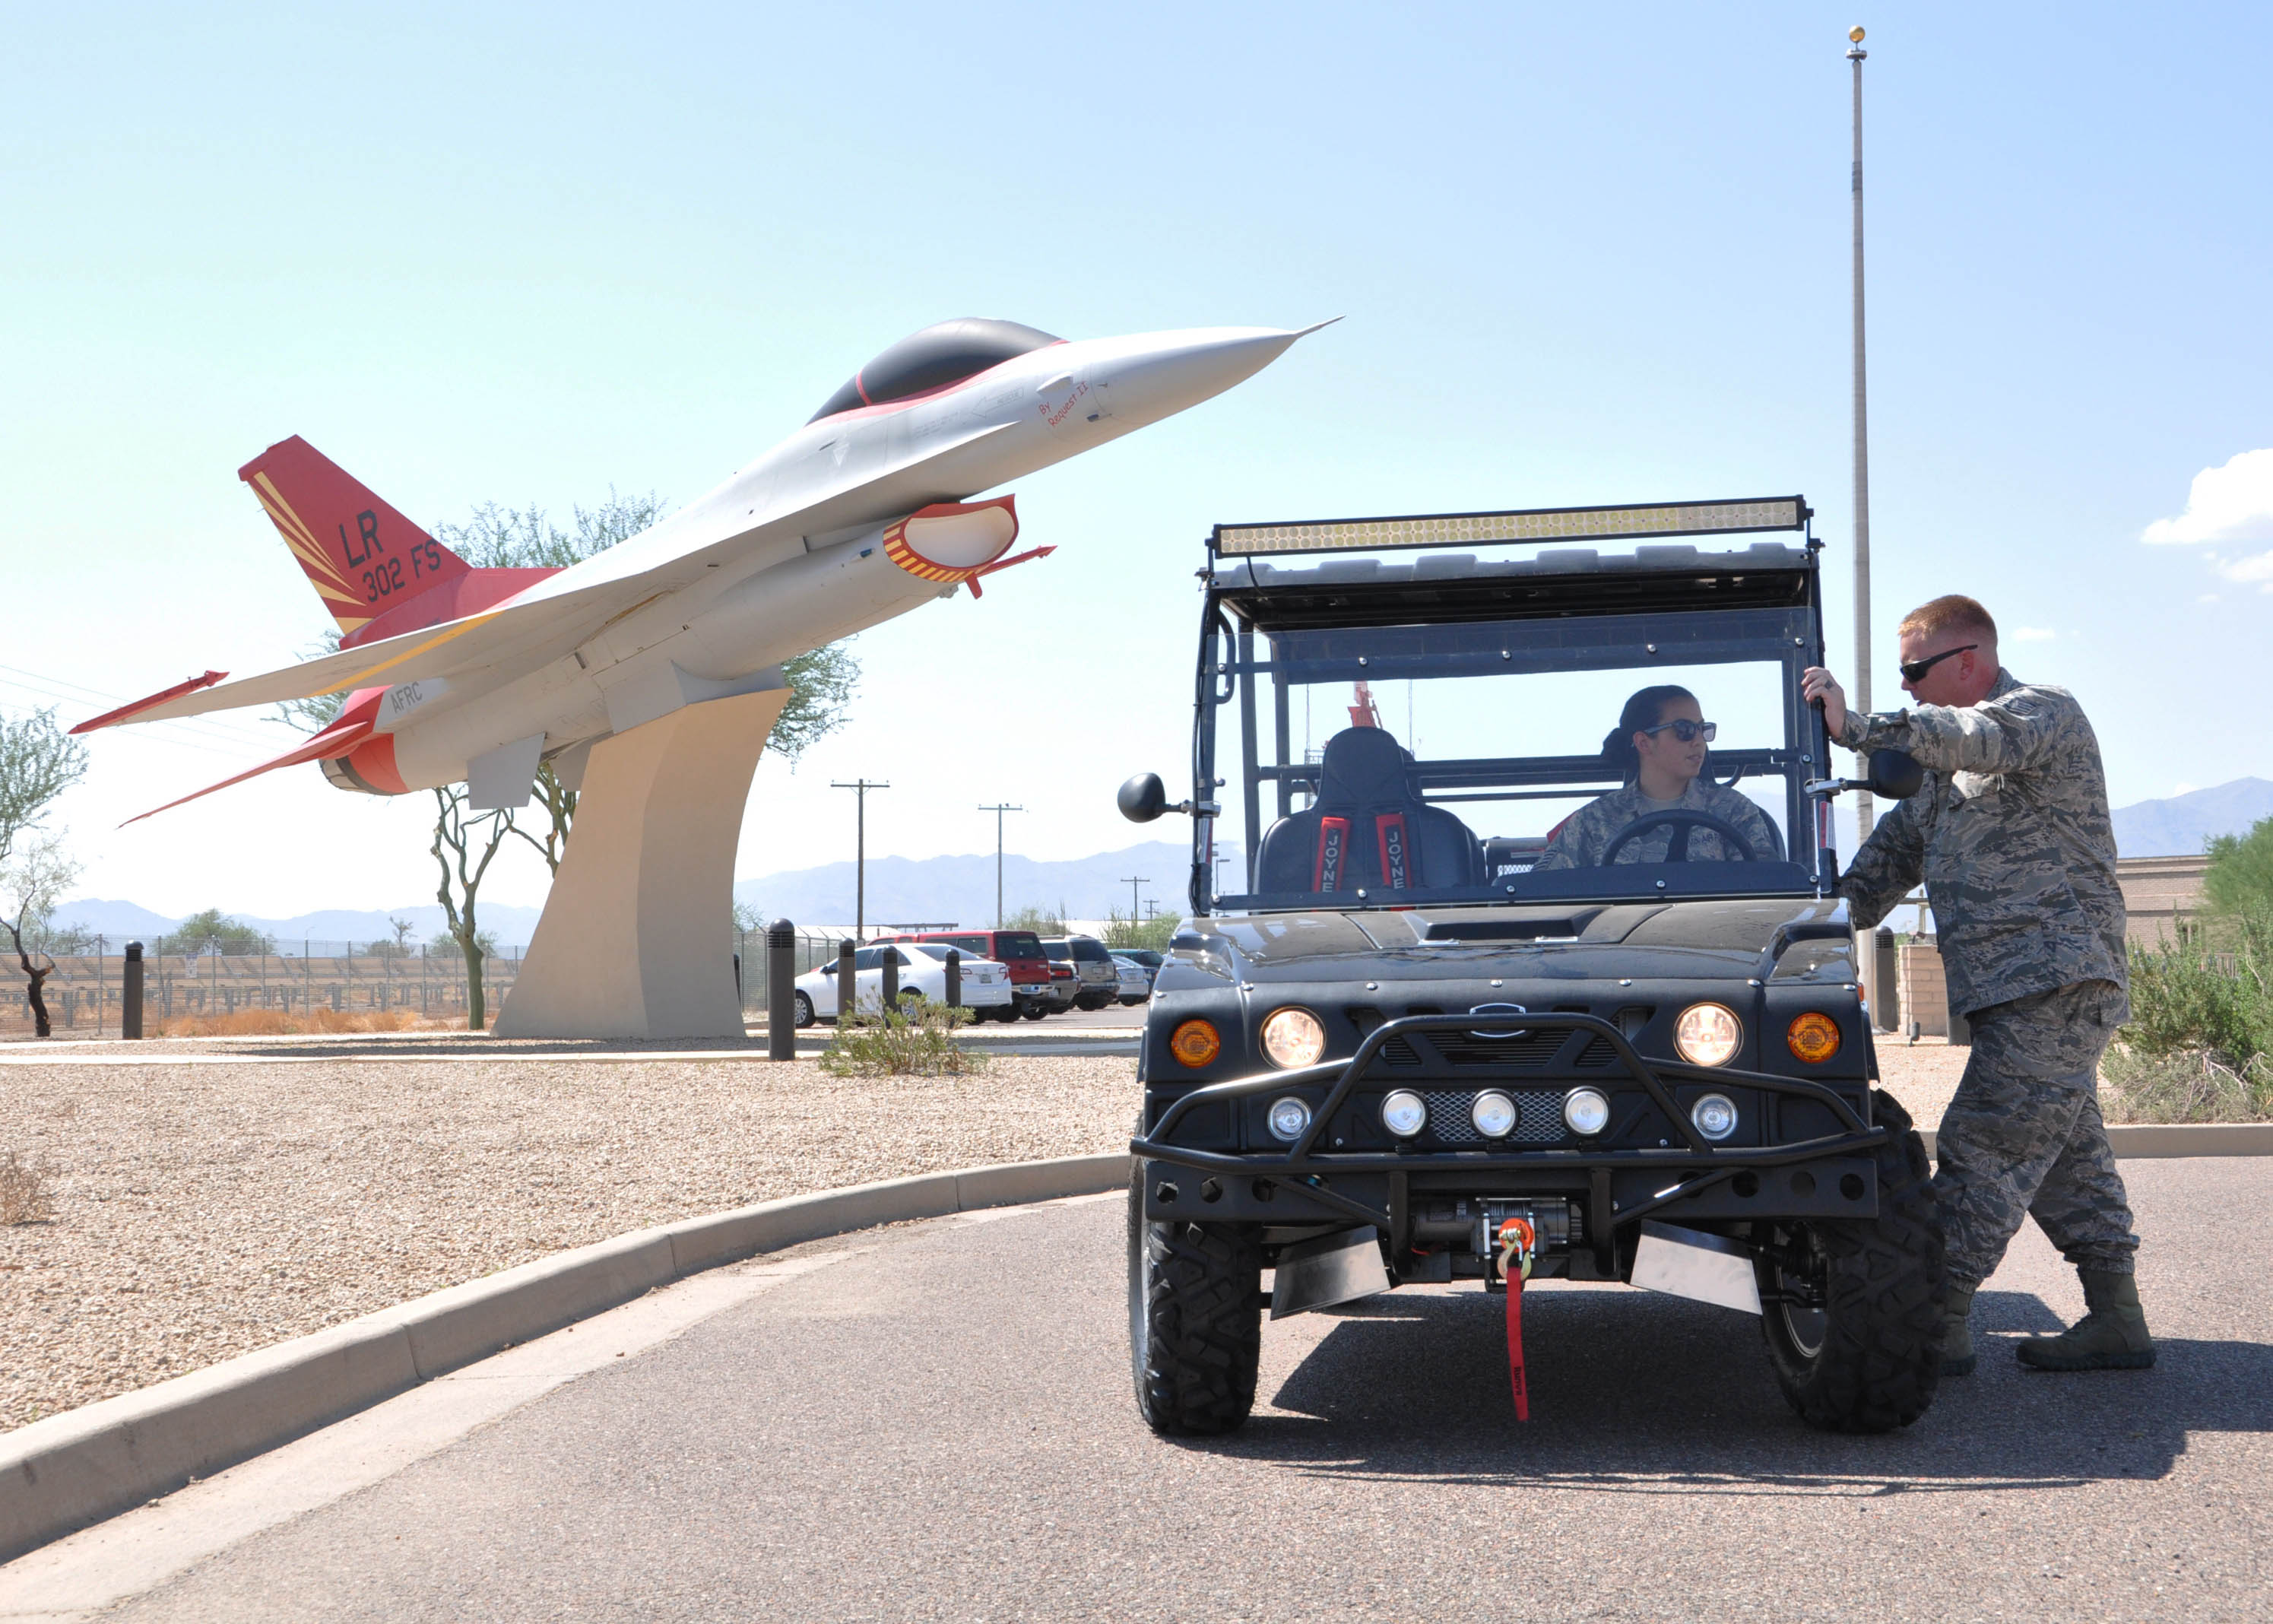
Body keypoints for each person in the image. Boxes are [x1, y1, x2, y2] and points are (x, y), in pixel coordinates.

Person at [1803, 595, 2150, 1376]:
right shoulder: (1937, 779)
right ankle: (2116, 1320)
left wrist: (1859, 726)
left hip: (2056, 980)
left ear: (1968, 659)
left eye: (1913, 672)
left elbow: (1976, 737)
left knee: (1982, 1147)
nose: (1908, 690)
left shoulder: (2037, 717)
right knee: (2068, 1160)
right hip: (2008, 995)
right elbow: (1878, 874)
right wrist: (1791, 927)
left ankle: (1935, 1323)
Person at [1533, 685, 1783, 870]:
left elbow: (1765, 888)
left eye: (1703, 729)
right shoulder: (1594, 820)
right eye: (1684, 730)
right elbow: (1542, 892)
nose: (1698, 741)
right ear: (1643, 742)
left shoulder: (1733, 810)